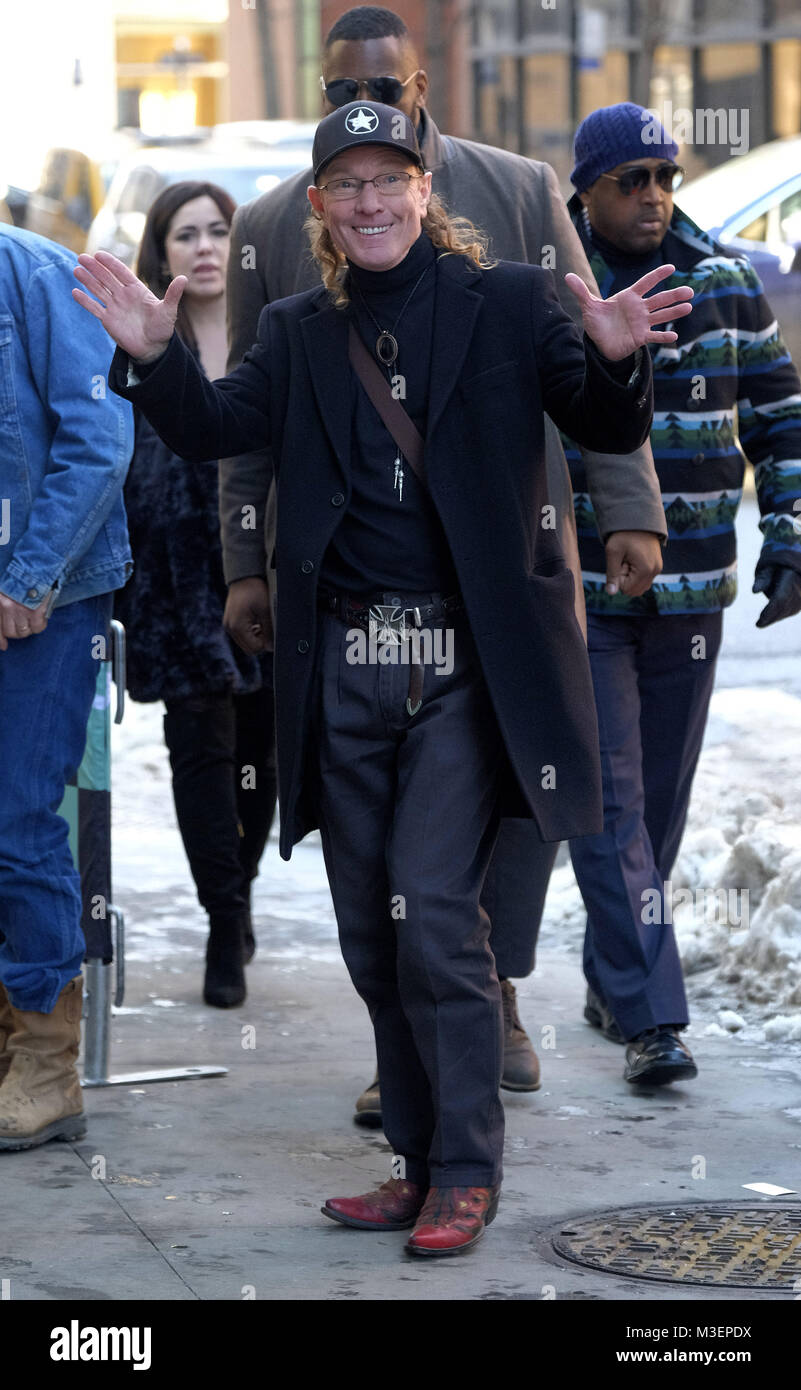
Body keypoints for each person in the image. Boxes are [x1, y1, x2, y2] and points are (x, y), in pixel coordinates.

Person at [73, 101, 691, 1257]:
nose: (369, 201)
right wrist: (154, 358)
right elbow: (217, 429)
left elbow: (594, 412)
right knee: (369, 924)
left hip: (463, 666)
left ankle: (466, 1165)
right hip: (344, 665)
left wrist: (614, 366)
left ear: (424, 190)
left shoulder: (507, 302)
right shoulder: (303, 331)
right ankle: (413, 1159)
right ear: (321, 206)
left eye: (388, 180)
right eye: (346, 183)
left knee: (433, 908)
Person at [220, 4, 668, 1122]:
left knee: (512, 798)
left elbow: (591, 345)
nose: (358, 112)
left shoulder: (517, 191)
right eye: (335, 93)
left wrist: (630, 509)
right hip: (353, 595)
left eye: (379, 85)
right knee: (382, 860)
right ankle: (419, 1056)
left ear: (420, 89)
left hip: (503, 564)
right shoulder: (280, 218)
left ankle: (495, 988)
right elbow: (244, 421)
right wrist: (246, 560)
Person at [558, 103, 801, 1085]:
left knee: (654, 807)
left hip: (693, 593)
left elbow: (783, 420)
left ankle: (614, 975)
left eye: (666, 176)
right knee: (611, 802)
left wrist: (789, 538)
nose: (654, 195)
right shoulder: (551, 291)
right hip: (583, 597)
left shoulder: (727, 283)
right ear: (587, 193)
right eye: (631, 181)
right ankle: (655, 1016)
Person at [114, 182, 276, 1008]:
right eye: (187, 235)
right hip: (175, 591)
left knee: (263, 760)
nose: (206, 247)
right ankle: (222, 921)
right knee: (201, 761)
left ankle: (238, 893)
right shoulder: (137, 348)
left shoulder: (273, 336)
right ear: (162, 252)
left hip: (268, 587)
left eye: (220, 231)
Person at [0, 223, 133, 1150]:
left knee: (14, 819)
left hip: (41, 600)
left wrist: (29, 577)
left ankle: (48, 1063)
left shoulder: (40, 275)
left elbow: (98, 438)